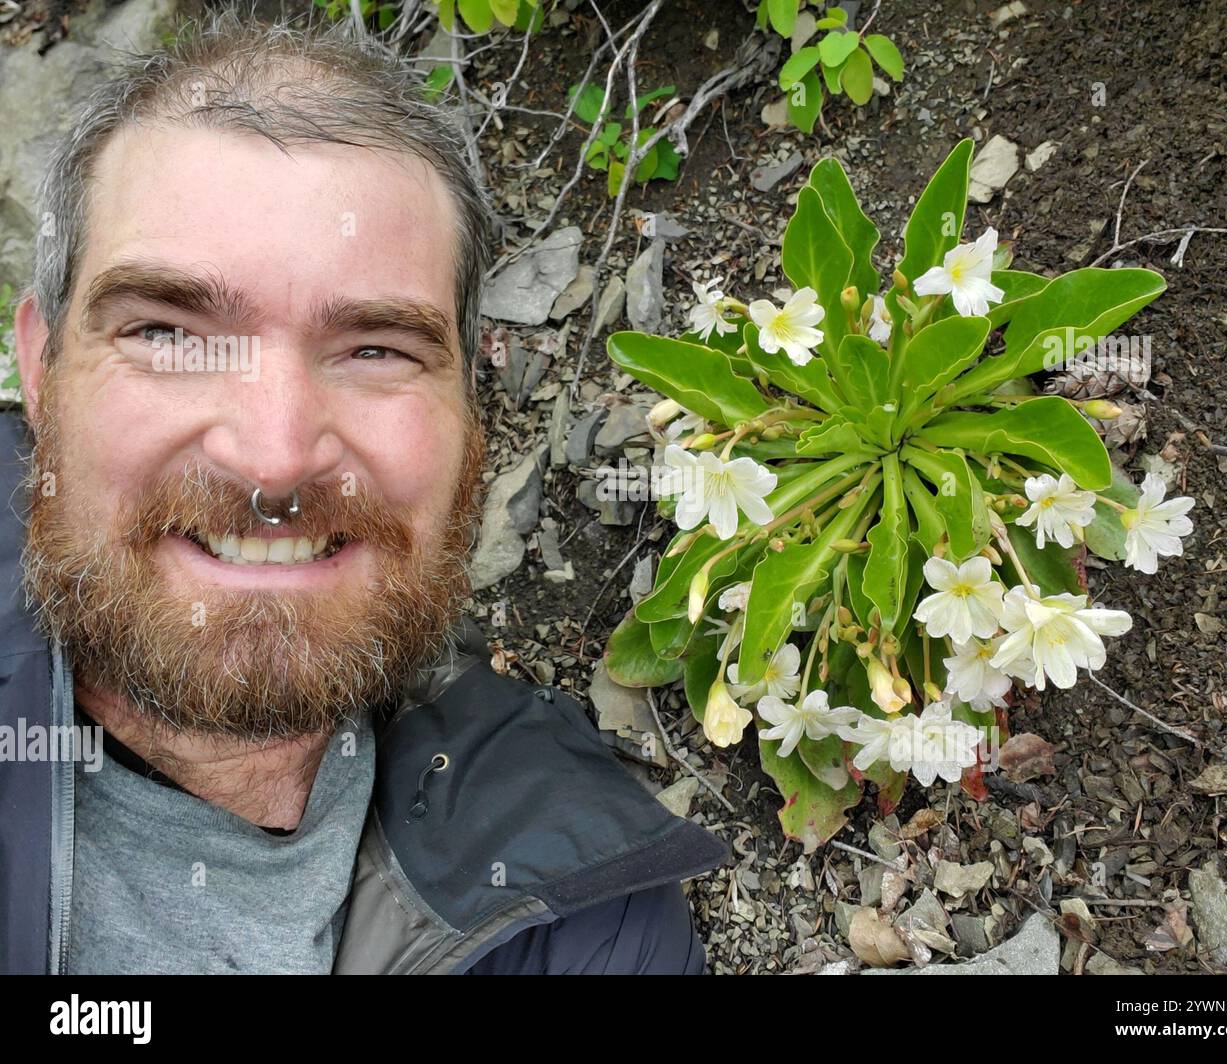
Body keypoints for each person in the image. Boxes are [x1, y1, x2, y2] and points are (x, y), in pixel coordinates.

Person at [0, 7, 726, 975]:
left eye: (374, 347)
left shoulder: (587, 920)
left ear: (474, 409)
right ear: (40, 368)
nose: (274, 458)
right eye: (168, 334)